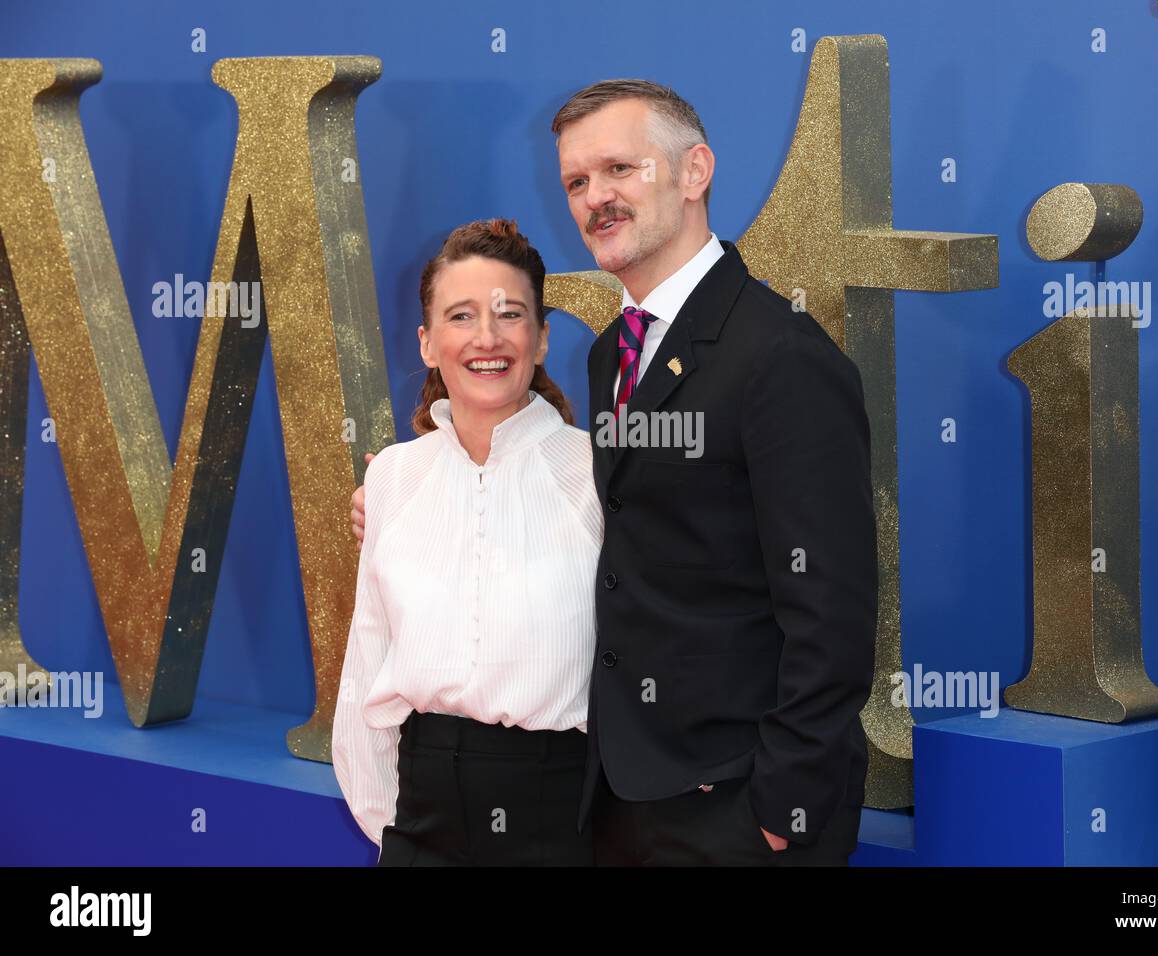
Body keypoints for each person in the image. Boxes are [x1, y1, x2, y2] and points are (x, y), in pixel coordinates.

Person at [353, 79, 877, 866]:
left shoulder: (781, 356)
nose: (596, 196)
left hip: (737, 812)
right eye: (576, 181)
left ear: (695, 170)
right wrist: (411, 498)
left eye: (620, 169)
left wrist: (780, 812)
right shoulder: (612, 356)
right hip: (624, 804)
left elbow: (832, 609)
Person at [332, 218, 601, 866]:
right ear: (427, 343)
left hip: (564, 822)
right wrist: (394, 832)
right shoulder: (393, 476)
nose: (486, 337)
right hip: (421, 823)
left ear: (539, 339)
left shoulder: (600, 475)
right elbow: (368, 662)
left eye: (509, 315)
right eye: (460, 316)